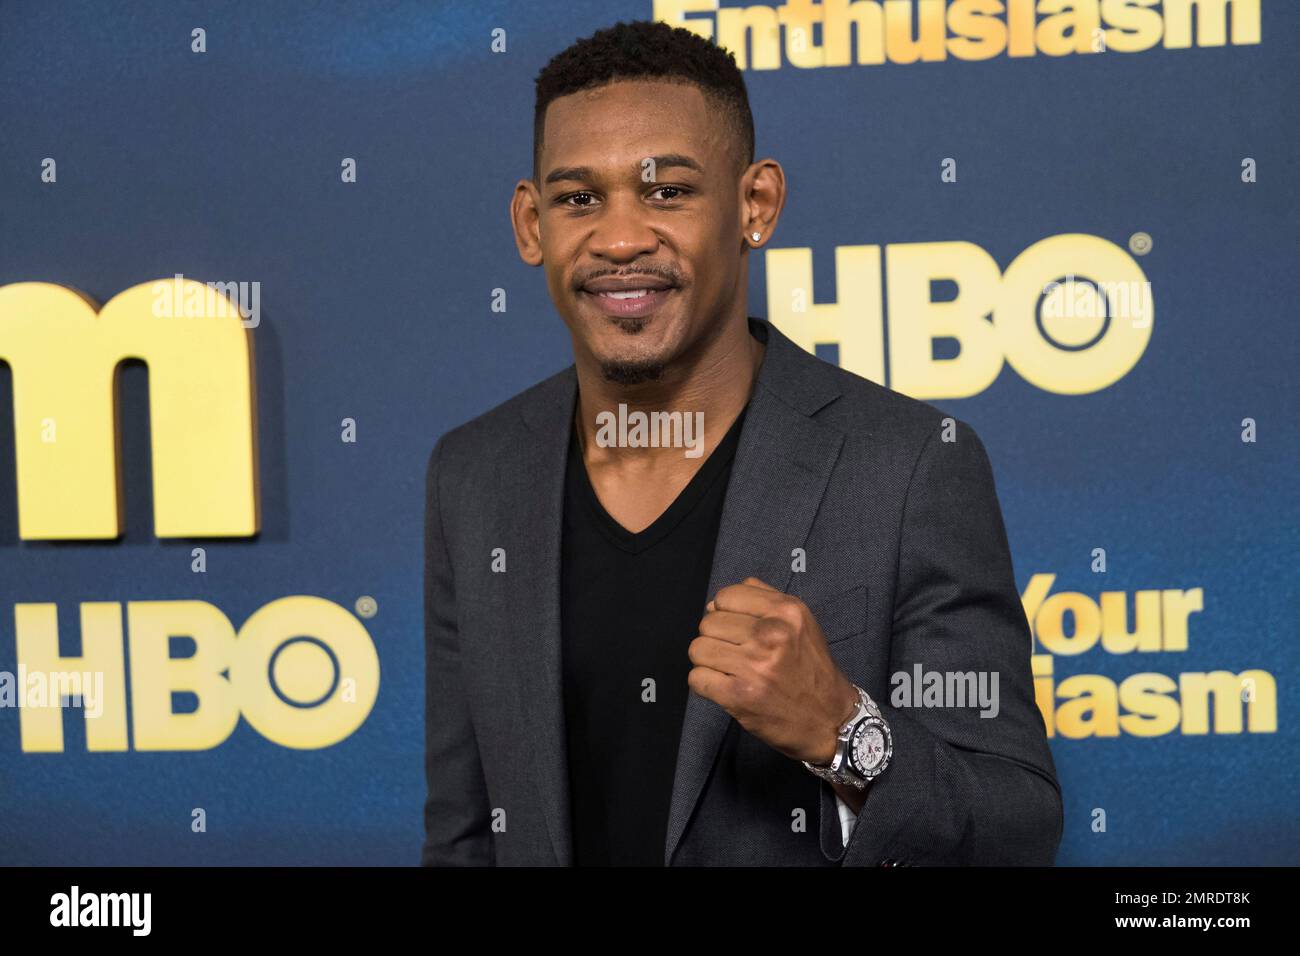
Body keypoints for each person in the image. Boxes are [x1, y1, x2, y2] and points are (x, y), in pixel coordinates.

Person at [421, 19, 1062, 866]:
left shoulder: (907, 465)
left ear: (754, 205)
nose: (619, 240)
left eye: (667, 193)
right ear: (530, 223)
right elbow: (465, 833)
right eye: (580, 199)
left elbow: (1017, 828)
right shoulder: (473, 474)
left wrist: (844, 730)